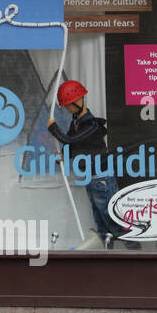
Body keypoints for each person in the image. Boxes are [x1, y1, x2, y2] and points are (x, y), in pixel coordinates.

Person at [46, 80, 137, 251]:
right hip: (92, 179)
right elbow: (73, 142)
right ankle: (107, 257)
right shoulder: (77, 122)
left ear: (78, 101)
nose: (66, 109)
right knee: (101, 226)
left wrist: (53, 129)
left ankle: (137, 252)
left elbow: (71, 139)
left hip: (101, 179)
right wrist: (64, 155)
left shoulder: (91, 125)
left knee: (114, 223)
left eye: (68, 106)